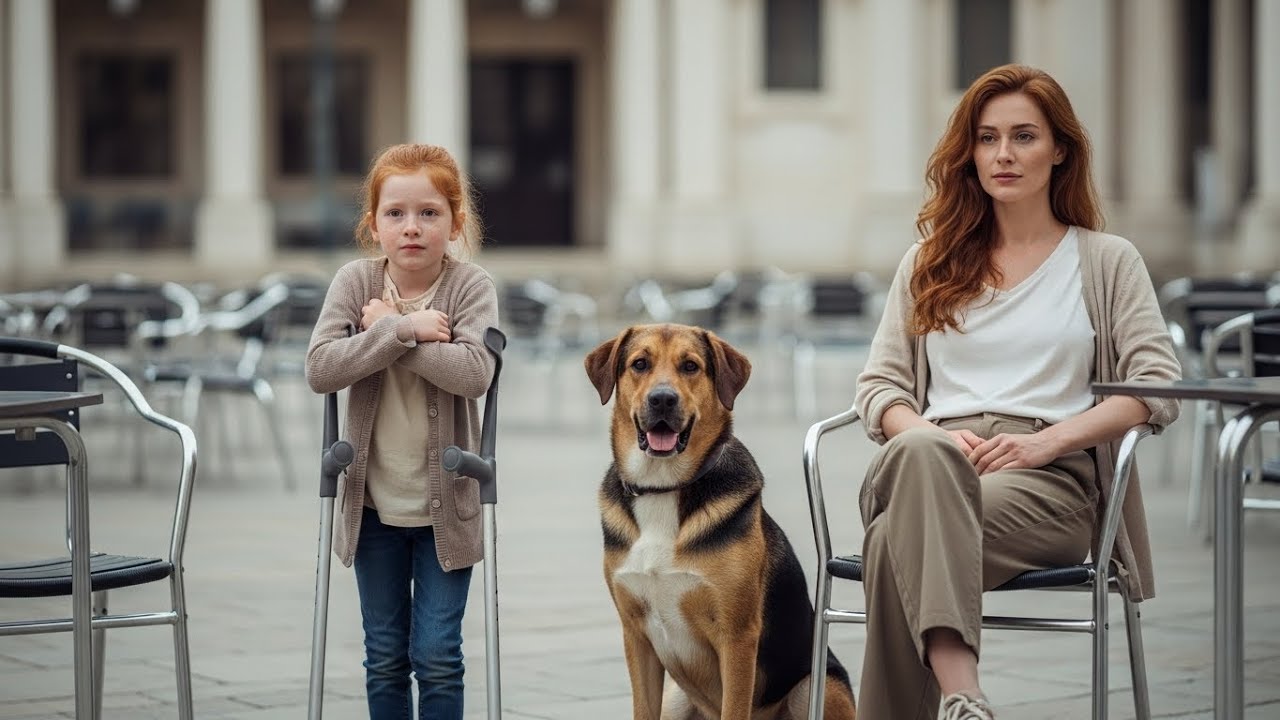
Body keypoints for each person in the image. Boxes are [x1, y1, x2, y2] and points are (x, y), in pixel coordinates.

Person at [851, 64, 1181, 719]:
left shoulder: (1106, 259)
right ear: (969, 154)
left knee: (890, 545)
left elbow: (1155, 387)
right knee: (920, 458)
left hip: (1047, 481)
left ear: (1060, 150)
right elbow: (880, 387)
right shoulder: (928, 262)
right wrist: (935, 438)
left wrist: (1048, 443)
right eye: (987, 138)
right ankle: (965, 694)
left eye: (1024, 136)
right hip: (927, 458)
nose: (1003, 153)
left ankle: (960, 695)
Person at [305, 143, 499, 720]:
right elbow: (321, 369)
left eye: (429, 213)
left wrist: (392, 329)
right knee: (386, 655)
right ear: (374, 225)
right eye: (395, 213)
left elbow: (474, 373)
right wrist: (405, 331)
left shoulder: (470, 287)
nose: (411, 227)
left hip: (448, 508)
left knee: (437, 655)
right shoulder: (354, 281)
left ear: (455, 223)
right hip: (371, 506)